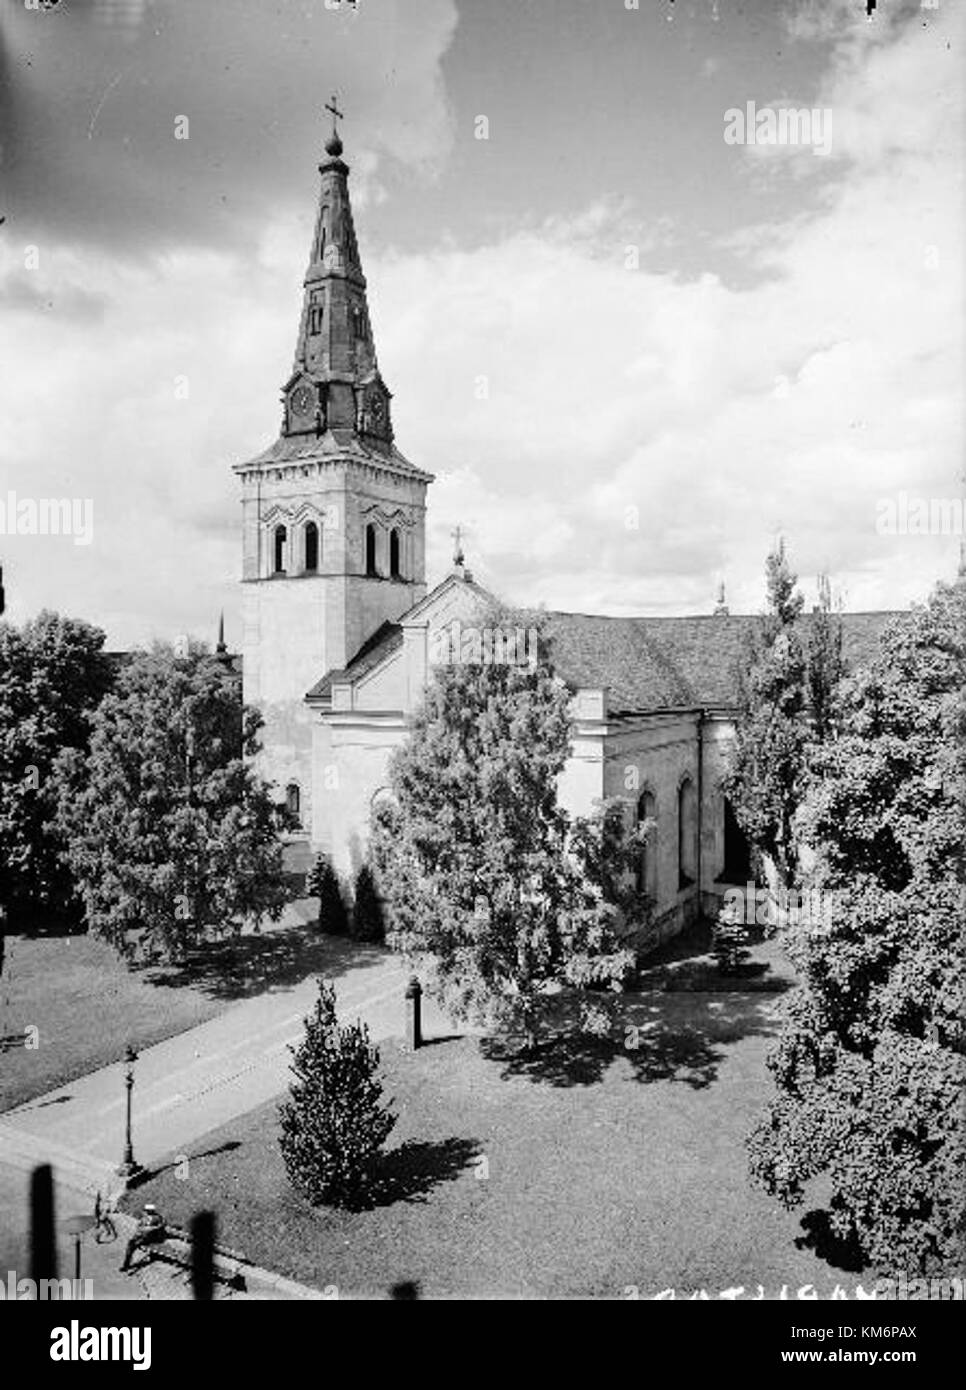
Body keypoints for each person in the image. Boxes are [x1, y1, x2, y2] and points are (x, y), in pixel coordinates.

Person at [120, 1203, 166, 1272]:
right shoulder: (145, 1218)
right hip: (143, 1236)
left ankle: (126, 1265)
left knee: (132, 1245)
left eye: (147, 1210)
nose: (146, 1212)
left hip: (151, 1238)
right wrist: (141, 1230)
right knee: (130, 1244)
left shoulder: (158, 1218)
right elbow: (139, 1226)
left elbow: (160, 1227)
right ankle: (126, 1264)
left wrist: (150, 1228)